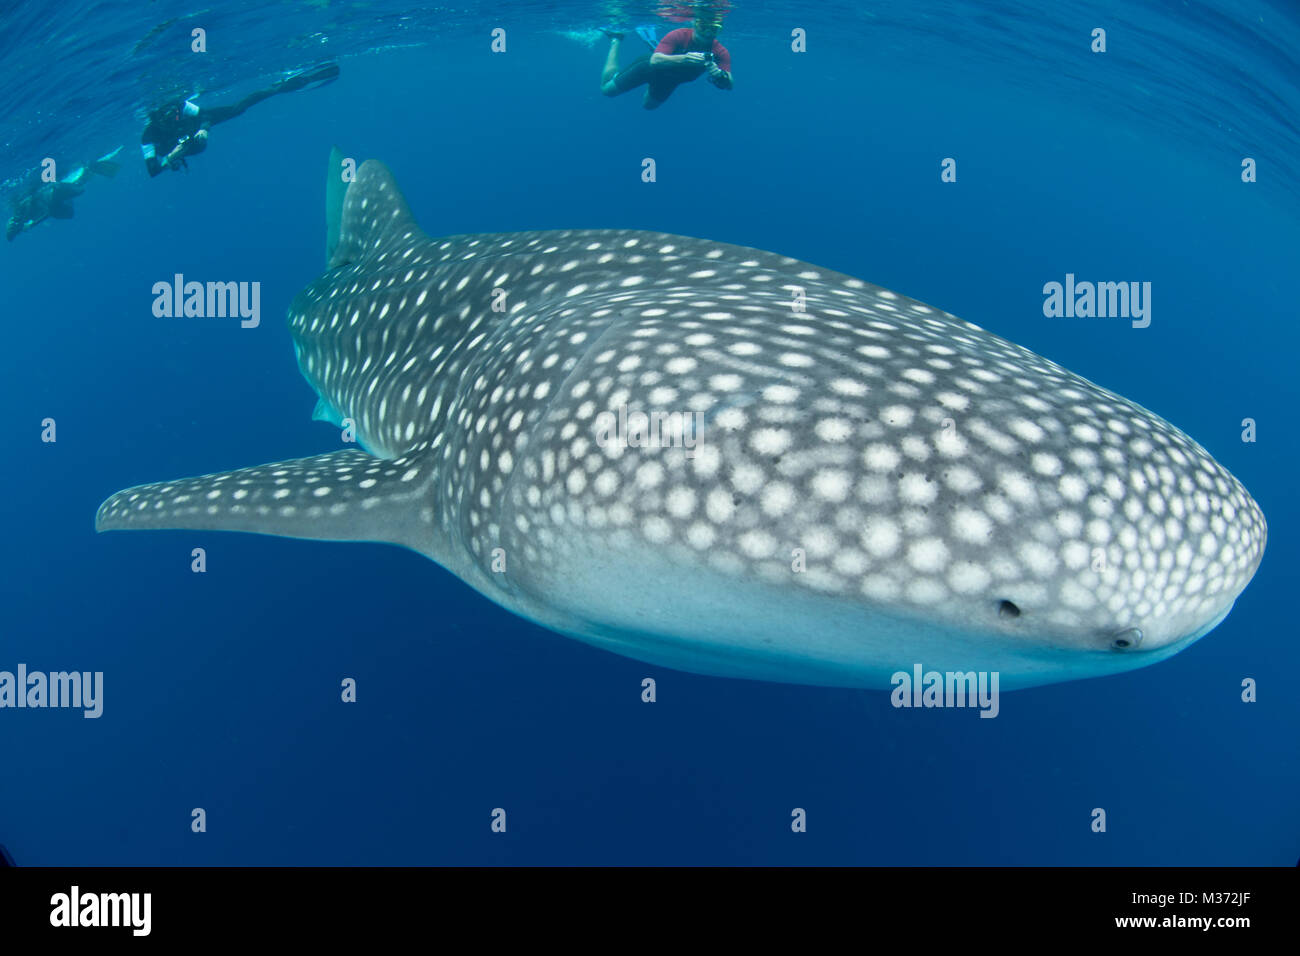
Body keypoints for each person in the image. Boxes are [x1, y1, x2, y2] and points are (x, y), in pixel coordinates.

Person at [141, 62, 339, 176]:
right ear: (159, 120)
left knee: (238, 108)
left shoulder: (180, 105)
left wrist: (204, 129)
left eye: (176, 113)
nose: (176, 117)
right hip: (182, 149)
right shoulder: (147, 137)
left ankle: (286, 85)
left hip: (196, 130)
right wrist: (170, 158)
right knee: (197, 147)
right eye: (170, 118)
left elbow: (205, 115)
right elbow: (153, 171)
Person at [600, 15, 733, 110]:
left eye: (714, 29)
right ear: (695, 24)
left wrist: (719, 75)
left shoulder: (720, 52)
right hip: (649, 67)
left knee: (648, 106)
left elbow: (729, 84)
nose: (707, 33)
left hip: (671, 80)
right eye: (703, 27)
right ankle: (616, 39)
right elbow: (654, 60)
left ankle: (657, 48)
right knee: (607, 91)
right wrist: (684, 58)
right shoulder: (679, 35)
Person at [5, 147, 122, 241]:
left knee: (79, 186)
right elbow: (48, 210)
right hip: (54, 192)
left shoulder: (20, 212)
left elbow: (47, 209)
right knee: (78, 186)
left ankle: (91, 166)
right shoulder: (25, 215)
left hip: (53, 192)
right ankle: (91, 166)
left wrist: (30, 224)